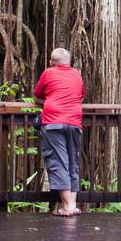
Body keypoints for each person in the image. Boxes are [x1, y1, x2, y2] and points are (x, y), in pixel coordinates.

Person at [34, 47, 85, 216]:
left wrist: (49, 100)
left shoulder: (48, 73)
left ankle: (68, 207)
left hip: (53, 121)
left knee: (58, 162)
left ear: (51, 62)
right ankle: (72, 204)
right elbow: (81, 95)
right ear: (68, 63)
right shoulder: (76, 74)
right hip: (74, 122)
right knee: (72, 162)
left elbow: (37, 95)